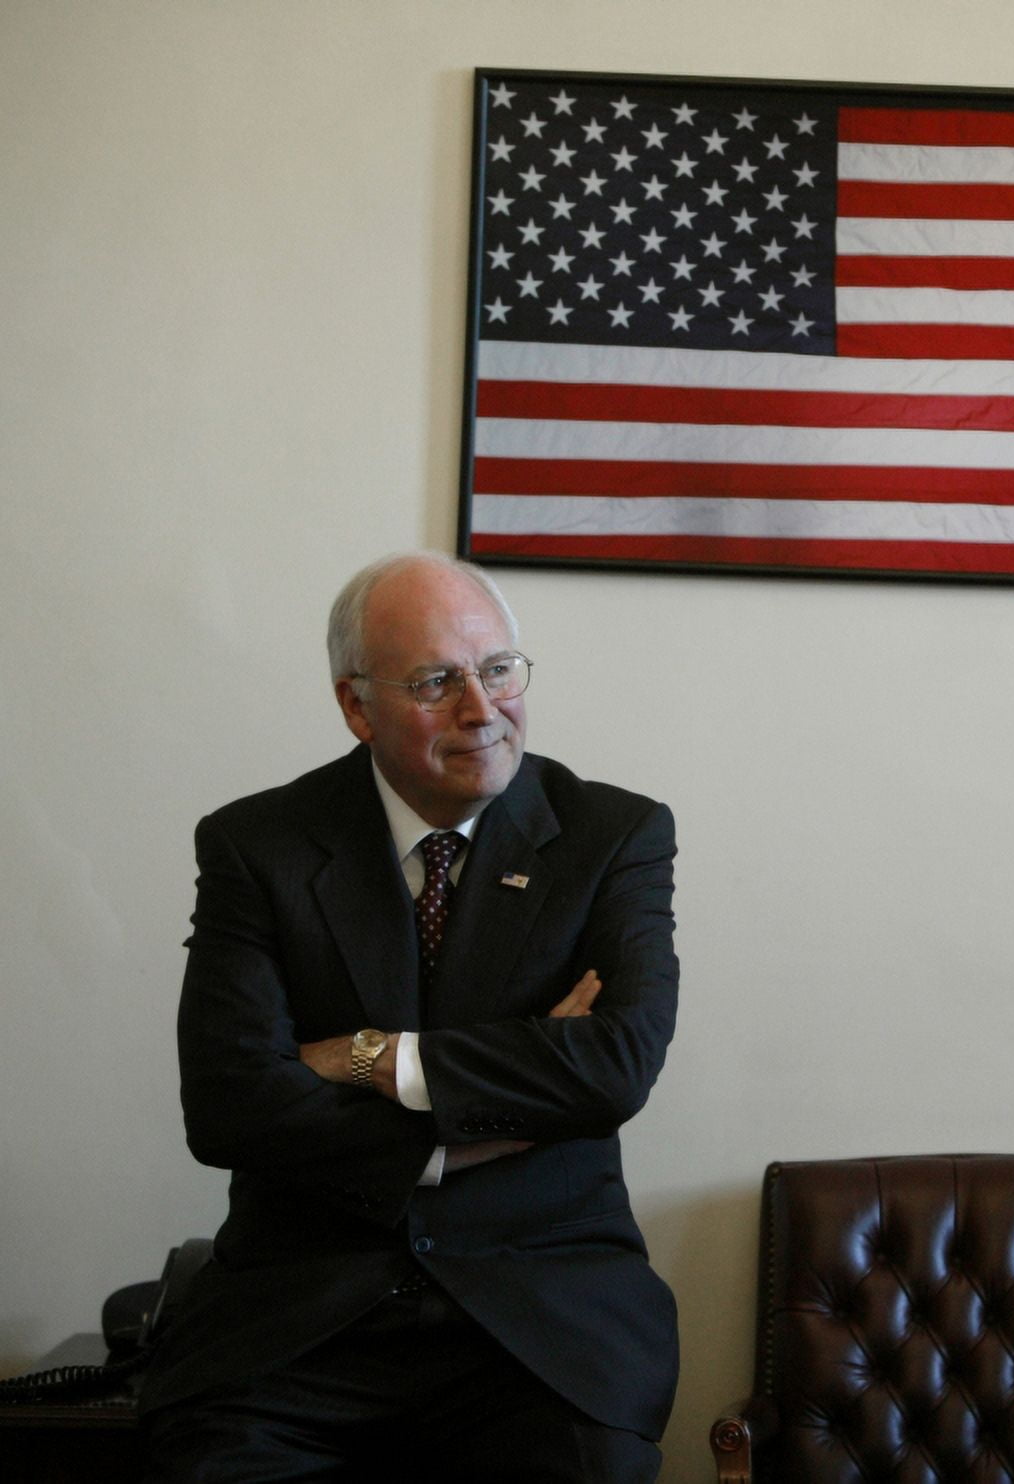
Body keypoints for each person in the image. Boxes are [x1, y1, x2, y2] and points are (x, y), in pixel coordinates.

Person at [139, 552, 680, 1482]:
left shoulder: (612, 836)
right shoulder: (256, 844)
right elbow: (228, 1104)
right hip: (302, 1324)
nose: (483, 708)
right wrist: (466, 1135)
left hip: (540, 1325)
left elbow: (614, 1066)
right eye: (437, 681)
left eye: (499, 669)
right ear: (357, 706)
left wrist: (367, 1058)